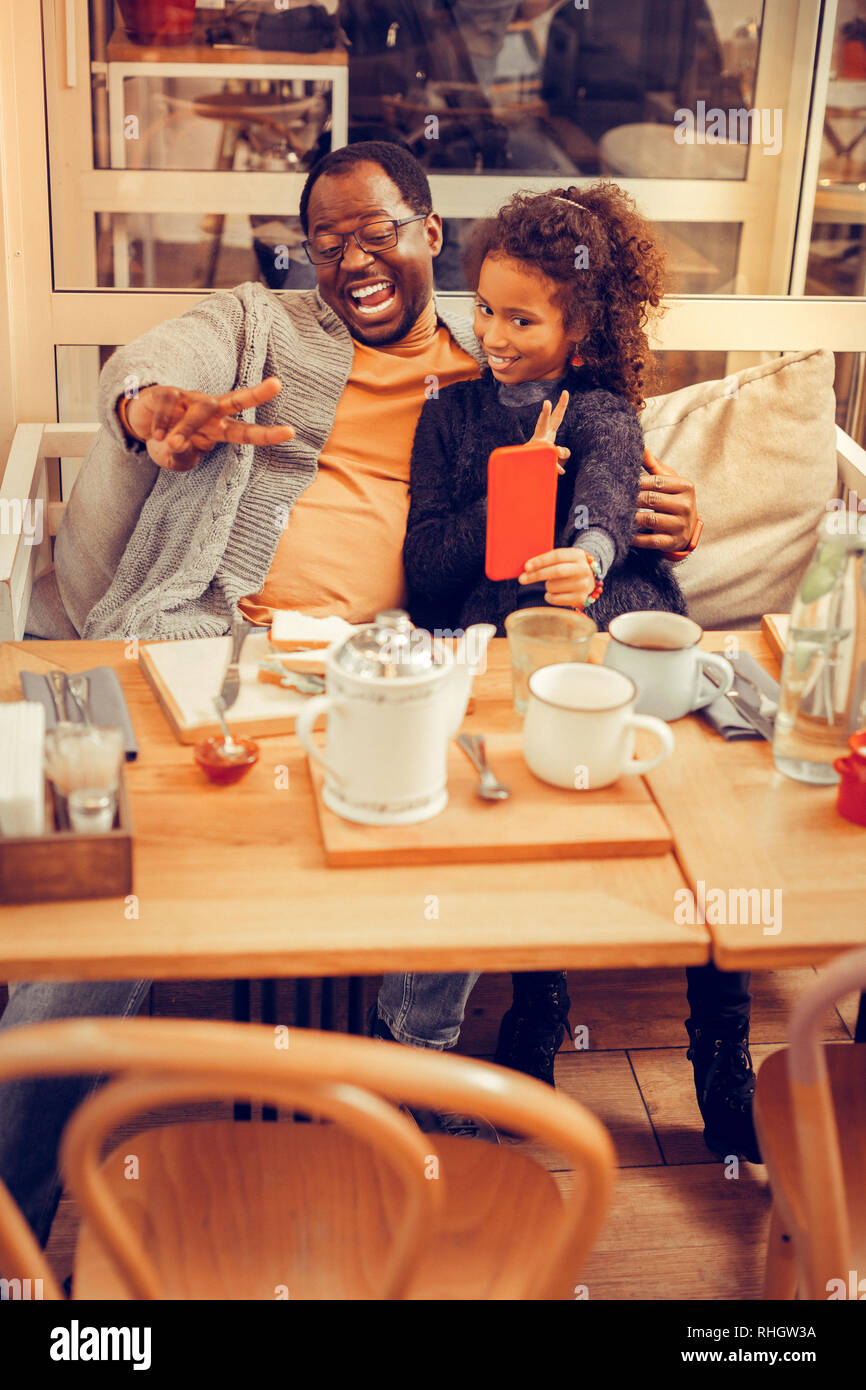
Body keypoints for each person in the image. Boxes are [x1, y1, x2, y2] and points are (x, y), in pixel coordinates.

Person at [4, 142, 705, 1251]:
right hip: (197, 638)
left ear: (430, 235)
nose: (351, 261)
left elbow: (595, 469)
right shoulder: (261, 326)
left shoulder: (493, 386)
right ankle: (15, 1229)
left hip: (370, 673)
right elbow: (152, 361)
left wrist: (649, 518)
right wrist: (153, 409)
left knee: (447, 846)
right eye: (327, 244)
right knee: (105, 901)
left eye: (377, 233)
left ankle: (386, 1151)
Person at [398, 182, 759, 1166]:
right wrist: (519, 476)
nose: (494, 333)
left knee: (700, 830)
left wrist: (586, 554)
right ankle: (537, 1006)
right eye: (485, 309)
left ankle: (720, 1052)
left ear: (577, 327)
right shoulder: (447, 414)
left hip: (624, 627)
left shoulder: (604, 410)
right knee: (529, 806)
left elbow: (604, 508)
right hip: (512, 641)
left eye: (522, 317)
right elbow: (426, 576)